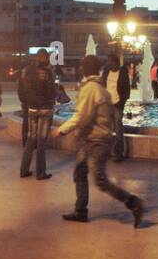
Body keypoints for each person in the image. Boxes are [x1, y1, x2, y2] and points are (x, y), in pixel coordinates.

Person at [53, 55, 144, 226]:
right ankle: (80, 211)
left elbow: (82, 116)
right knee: (80, 173)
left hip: (96, 141)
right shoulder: (101, 89)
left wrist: (62, 129)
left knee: (100, 180)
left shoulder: (91, 89)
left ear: (84, 69)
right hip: (92, 139)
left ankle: (134, 203)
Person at [19, 50, 57, 180]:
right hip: (45, 109)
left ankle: (24, 170)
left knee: (31, 139)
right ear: (44, 57)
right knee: (41, 141)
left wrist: (27, 103)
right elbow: (52, 92)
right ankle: (40, 173)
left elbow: (21, 91)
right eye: (47, 57)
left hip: (31, 108)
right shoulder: (47, 72)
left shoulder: (25, 71)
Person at [104, 56, 131, 162]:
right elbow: (103, 85)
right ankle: (108, 151)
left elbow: (126, 89)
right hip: (107, 104)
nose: (109, 64)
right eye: (108, 62)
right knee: (108, 128)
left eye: (110, 62)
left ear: (116, 63)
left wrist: (122, 102)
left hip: (118, 104)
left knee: (118, 128)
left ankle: (118, 153)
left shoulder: (123, 73)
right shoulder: (106, 72)